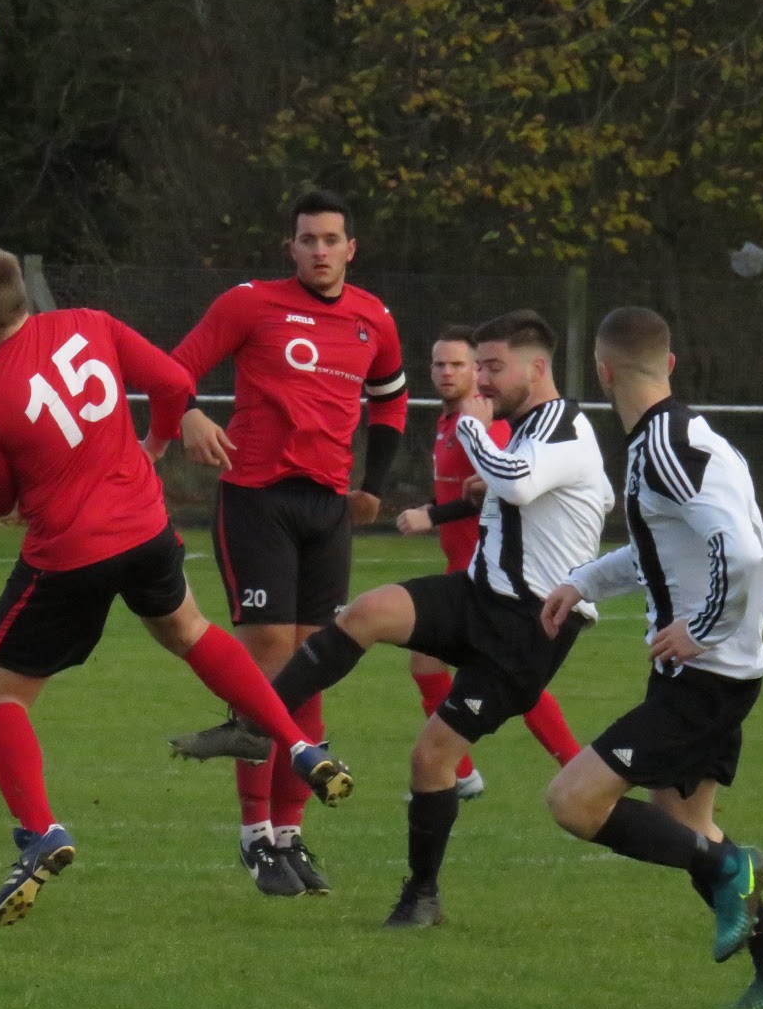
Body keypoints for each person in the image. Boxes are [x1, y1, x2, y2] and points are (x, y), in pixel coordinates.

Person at [0, 246, 347, 927]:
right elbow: (173, 383)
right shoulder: (88, 322)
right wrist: (153, 444)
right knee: (190, 631)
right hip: (145, 529)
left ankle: (41, 830)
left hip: (68, 556)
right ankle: (299, 745)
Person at [173, 310, 614, 926]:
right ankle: (256, 724)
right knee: (367, 611)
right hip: (479, 596)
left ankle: (422, 896)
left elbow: (514, 482)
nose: (481, 380)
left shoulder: (565, 427)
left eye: (492, 367)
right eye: (477, 366)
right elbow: (512, 492)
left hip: (528, 627)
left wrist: (476, 433)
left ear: (537, 368)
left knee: (430, 760)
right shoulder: (529, 424)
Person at [540, 306, 763, 1009]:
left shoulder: (662, 445)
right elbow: (671, 550)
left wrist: (703, 627)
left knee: (573, 801)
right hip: (711, 674)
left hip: (703, 678)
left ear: (602, 373)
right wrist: (584, 582)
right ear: (669, 364)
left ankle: (735, 867)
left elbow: (747, 553)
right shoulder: (685, 435)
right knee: (684, 826)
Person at [164, 189, 408, 897]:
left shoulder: (373, 318)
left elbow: (390, 397)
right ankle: (254, 836)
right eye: (309, 239)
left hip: (326, 507)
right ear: (291, 248)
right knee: (268, 660)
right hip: (256, 499)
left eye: (332, 239)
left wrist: (375, 483)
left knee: (312, 666)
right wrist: (190, 417)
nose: (321, 250)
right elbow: (172, 371)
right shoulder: (248, 303)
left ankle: (292, 834)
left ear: (351, 248)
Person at [395, 326, 581, 797]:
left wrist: (430, 515)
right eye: (439, 363)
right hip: (460, 565)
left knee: (508, 681)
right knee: (448, 669)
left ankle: (470, 771)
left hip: (487, 570)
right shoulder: (449, 422)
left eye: (460, 364)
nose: (448, 372)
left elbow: (502, 492)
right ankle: (462, 772)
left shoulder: (491, 426)